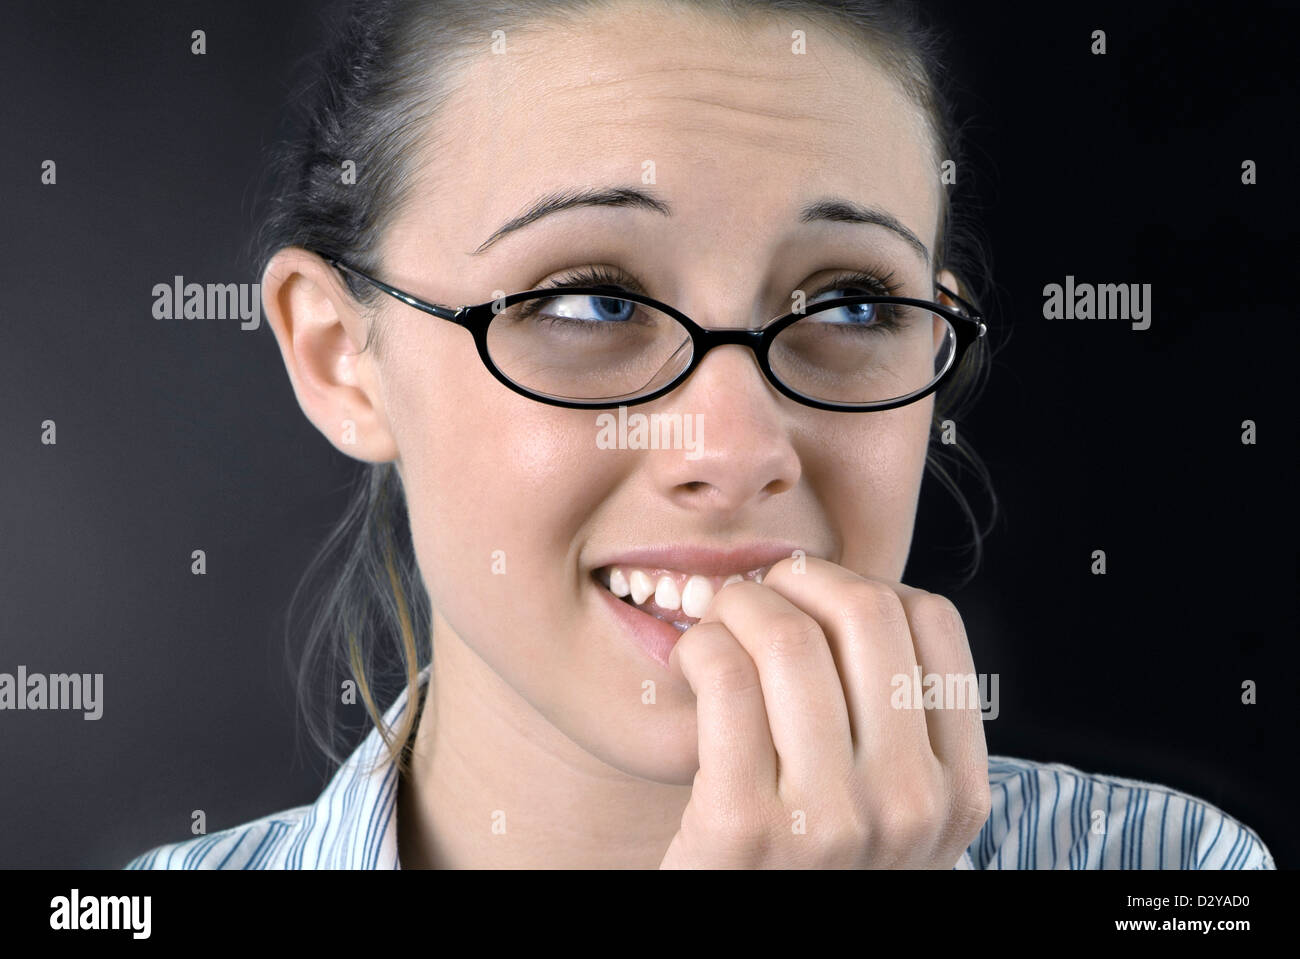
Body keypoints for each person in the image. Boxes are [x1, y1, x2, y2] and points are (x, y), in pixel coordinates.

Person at [126, 0, 1273, 869]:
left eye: (850, 306)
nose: (735, 446)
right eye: (590, 300)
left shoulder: (1176, 871)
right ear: (341, 355)